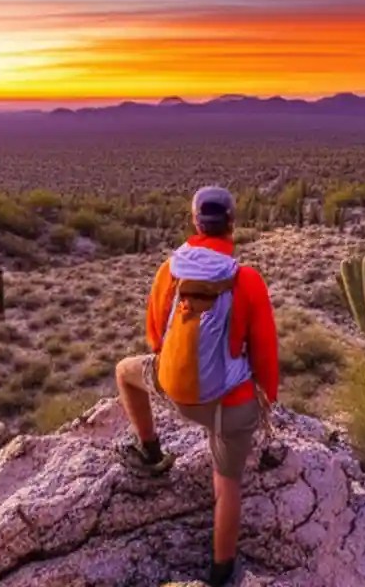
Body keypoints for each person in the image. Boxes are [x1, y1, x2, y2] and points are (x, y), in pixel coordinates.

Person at [114, 185, 279, 587]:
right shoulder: (247, 280)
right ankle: (222, 571)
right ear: (232, 224)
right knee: (227, 487)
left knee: (124, 371)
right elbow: (265, 356)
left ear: (194, 222)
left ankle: (151, 452)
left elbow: (155, 339)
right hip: (231, 407)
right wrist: (267, 403)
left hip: (173, 390)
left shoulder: (170, 270)